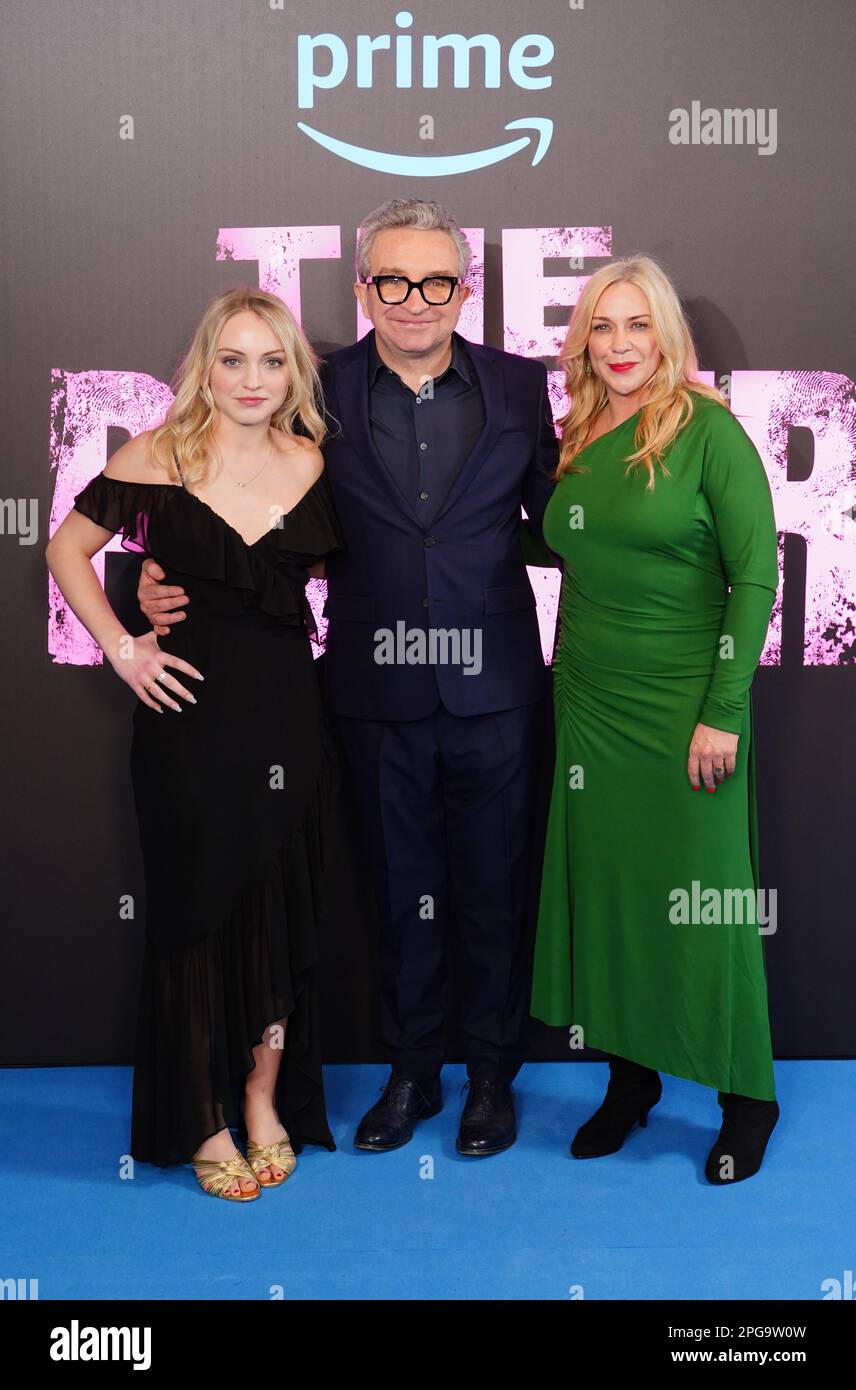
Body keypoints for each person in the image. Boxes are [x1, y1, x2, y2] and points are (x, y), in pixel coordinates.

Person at [138, 198, 560, 1157]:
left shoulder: (521, 387)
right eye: (393, 281)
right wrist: (148, 573)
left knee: (494, 888)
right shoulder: (310, 386)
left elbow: (560, 519)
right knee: (397, 886)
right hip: (371, 692)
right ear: (364, 286)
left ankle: (492, 1075)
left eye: (436, 281)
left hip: (495, 687)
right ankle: (414, 1071)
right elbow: (218, 486)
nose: (415, 301)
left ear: (467, 287)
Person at [46, 287, 345, 1200]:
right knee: (195, 916)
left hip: (290, 719)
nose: (253, 379)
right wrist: (125, 642)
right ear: (204, 369)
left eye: (271, 361)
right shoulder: (157, 456)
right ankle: (205, 1119)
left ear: (292, 373)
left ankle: (262, 1103)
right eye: (233, 360)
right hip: (187, 725)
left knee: (276, 910)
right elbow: (64, 550)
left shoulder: (313, 462)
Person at [530, 255, 780, 1183]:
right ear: (584, 339)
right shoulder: (581, 430)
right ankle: (630, 1084)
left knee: (709, 907)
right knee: (616, 898)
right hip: (590, 700)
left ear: (667, 334)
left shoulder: (710, 432)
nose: (622, 344)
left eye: (639, 325)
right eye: (604, 326)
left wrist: (722, 711)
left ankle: (746, 1098)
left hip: (687, 706)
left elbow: (755, 575)